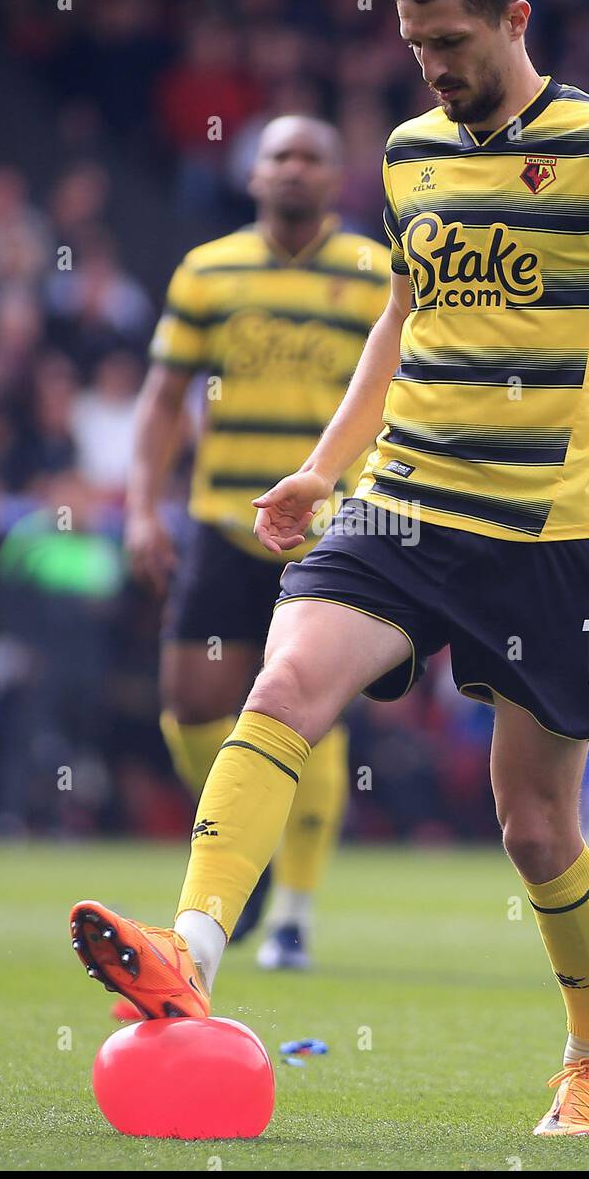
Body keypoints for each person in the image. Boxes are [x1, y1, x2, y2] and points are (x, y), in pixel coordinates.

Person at [70, 0, 589, 1137]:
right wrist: (321, 470)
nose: (432, 67)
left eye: (450, 42)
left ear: (513, 20)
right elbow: (400, 323)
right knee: (278, 689)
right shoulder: (406, 153)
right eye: (413, 45)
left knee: (534, 827)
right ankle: (190, 955)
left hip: (547, 539)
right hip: (399, 508)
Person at [123, 115, 390, 970]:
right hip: (221, 519)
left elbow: (398, 391)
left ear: (336, 175)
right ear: (252, 174)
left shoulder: (376, 270)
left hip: (329, 528)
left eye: (311, 156)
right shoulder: (208, 270)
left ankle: (292, 919)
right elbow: (163, 401)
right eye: (278, 155)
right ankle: (256, 838)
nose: (294, 169)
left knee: (305, 705)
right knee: (191, 706)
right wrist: (139, 508)